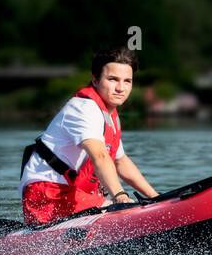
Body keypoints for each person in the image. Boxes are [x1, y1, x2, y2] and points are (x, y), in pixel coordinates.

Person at [20, 47, 159, 226]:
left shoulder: (109, 116)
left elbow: (120, 162)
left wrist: (156, 198)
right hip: (47, 195)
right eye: (112, 79)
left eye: (127, 81)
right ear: (95, 79)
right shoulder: (84, 108)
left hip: (73, 194)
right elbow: (99, 156)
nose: (120, 88)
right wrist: (120, 196)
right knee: (124, 212)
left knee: (130, 208)